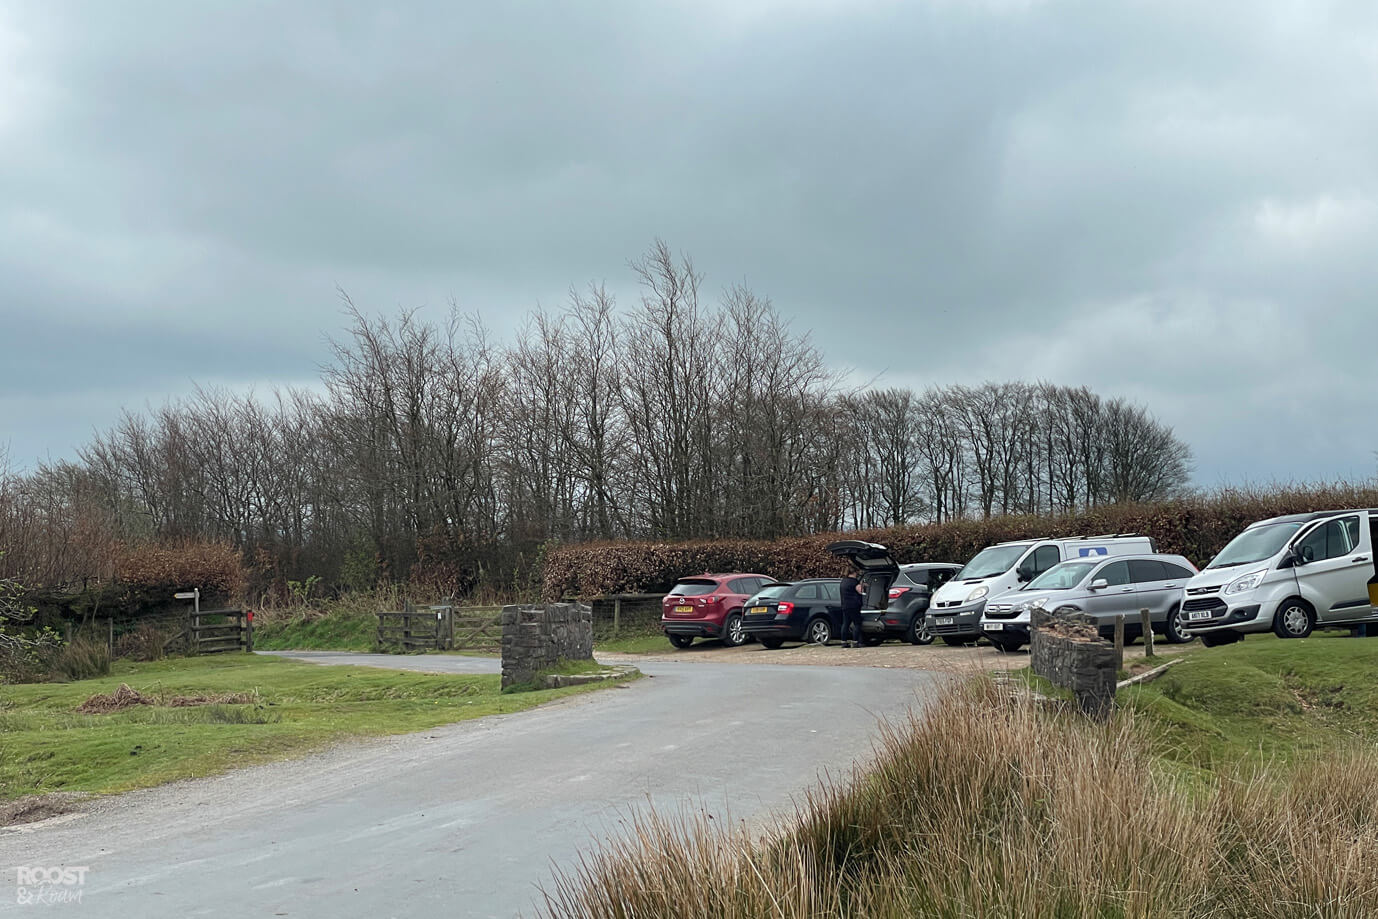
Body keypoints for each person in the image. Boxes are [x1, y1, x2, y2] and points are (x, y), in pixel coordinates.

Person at [839, 574, 865, 648]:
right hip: (854, 606)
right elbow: (861, 591)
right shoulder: (854, 582)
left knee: (845, 623)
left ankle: (843, 642)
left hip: (845, 605)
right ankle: (855, 642)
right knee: (857, 623)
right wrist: (862, 585)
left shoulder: (843, 581)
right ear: (853, 573)